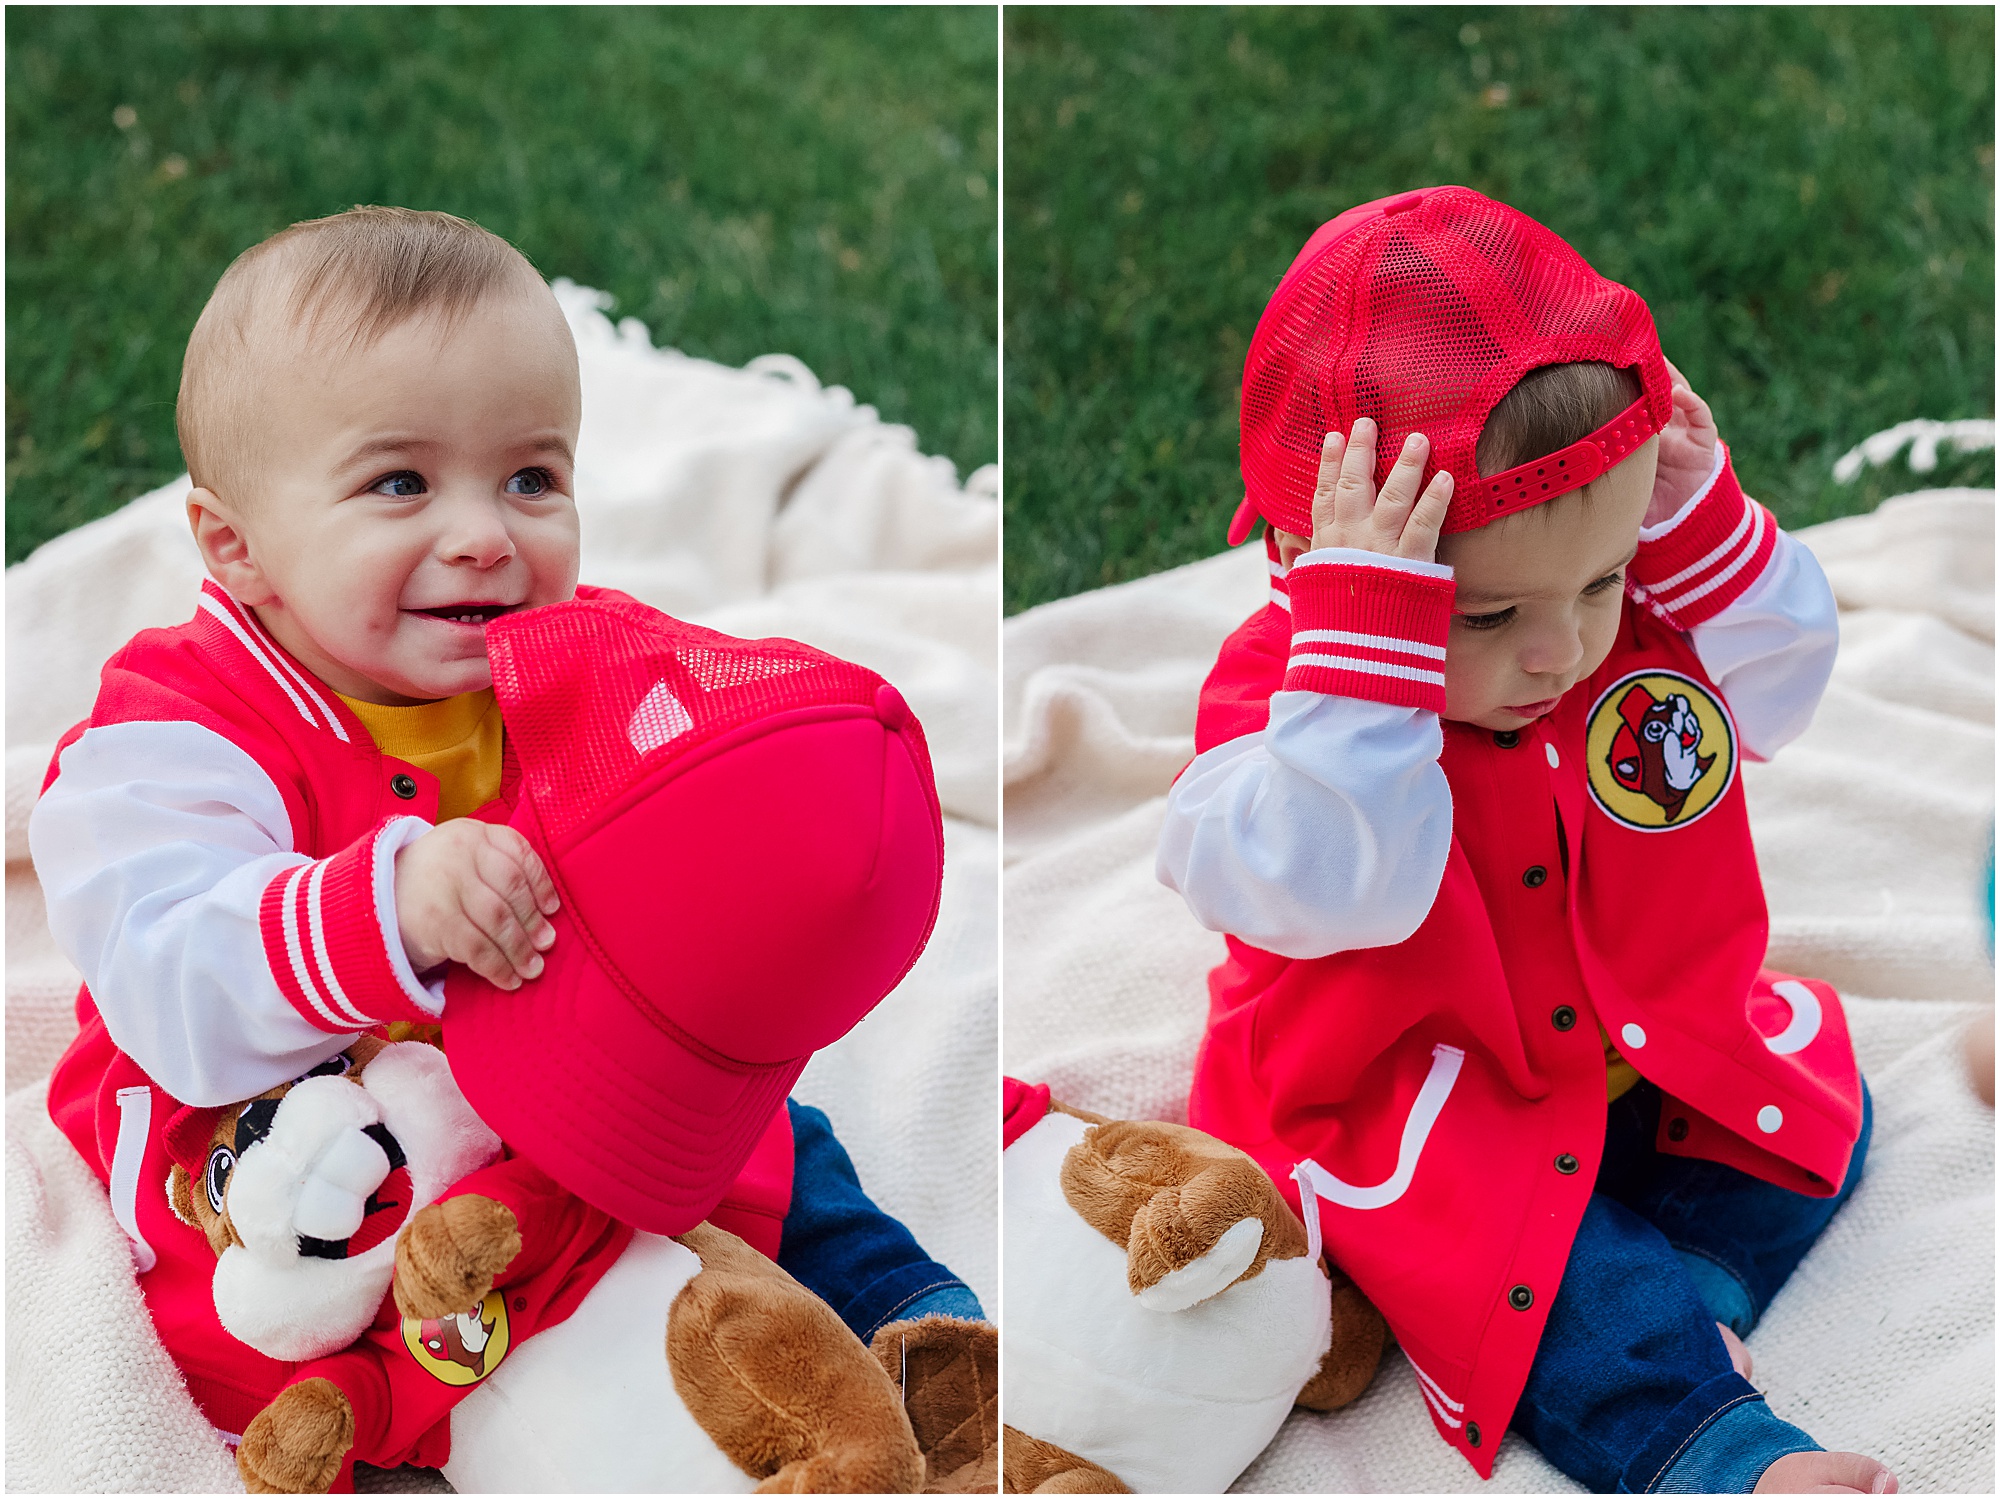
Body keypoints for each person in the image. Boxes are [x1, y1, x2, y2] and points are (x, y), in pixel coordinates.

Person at [32, 206, 985, 1486]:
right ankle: (593, 1407)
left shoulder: (561, 654)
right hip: (307, 1123)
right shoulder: (176, 731)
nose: (486, 533)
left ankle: (920, 1332)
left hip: (548, 1058)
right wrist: (388, 910)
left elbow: (690, 772)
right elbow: (168, 973)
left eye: (531, 476)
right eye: (400, 483)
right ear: (236, 547)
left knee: (769, 1130)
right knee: (409, 1290)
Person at [1158, 187, 1893, 1494]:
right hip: (1442, 1106)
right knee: (1547, 1279)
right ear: (1321, 561)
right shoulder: (1294, 702)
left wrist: (1702, 530)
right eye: (1487, 616)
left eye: (1601, 580)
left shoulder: (1631, 608)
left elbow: (1781, 690)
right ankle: (1715, 1446)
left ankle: (1674, 1271)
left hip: (1646, 1050)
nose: (1561, 650)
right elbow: (1342, 888)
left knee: (1810, 1116)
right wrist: (1372, 666)